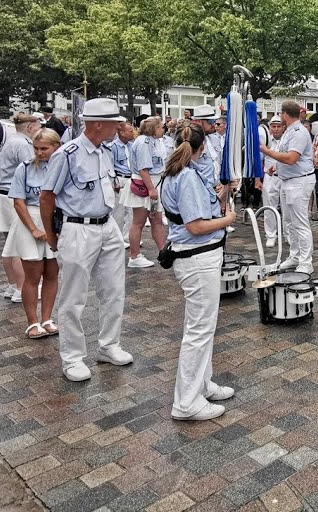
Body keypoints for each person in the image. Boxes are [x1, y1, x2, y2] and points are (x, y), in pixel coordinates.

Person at [39, 98, 130, 383]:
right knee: (73, 297)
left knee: (114, 290)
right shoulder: (68, 154)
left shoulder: (105, 151)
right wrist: (52, 237)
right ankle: (73, 357)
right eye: (115, 122)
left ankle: (108, 345)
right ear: (98, 124)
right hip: (78, 228)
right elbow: (47, 196)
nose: (120, 126)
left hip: (107, 225)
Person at [161, 126, 238, 421]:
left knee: (203, 327)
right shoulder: (187, 176)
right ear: (202, 147)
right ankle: (186, 401)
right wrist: (227, 219)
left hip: (197, 255)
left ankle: (202, 385)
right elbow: (195, 226)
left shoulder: (177, 172)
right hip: (197, 257)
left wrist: (220, 197)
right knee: (199, 330)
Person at [6, 129, 62, 339]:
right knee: (33, 274)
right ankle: (32, 321)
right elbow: (18, 202)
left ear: (56, 147)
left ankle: (47, 317)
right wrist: (34, 229)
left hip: (56, 221)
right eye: (36, 148)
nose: (39, 153)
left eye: (44, 149)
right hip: (32, 219)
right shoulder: (25, 168)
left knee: (52, 273)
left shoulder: (64, 166)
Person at [260, 101, 315, 275]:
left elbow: (291, 158)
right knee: (289, 222)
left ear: (285, 114)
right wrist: (276, 166)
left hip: (299, 181)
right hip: (288, 180)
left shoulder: (299, 132)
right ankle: (295, 255)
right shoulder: (289, 132)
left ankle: (306, 261)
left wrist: (267, 151)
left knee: (300, 222)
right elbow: (286, 155)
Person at [0, 113, 40, 302]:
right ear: (30, 127)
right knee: (20, 245)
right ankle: (21, 288)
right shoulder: (23, 144)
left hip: (5, 193)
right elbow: (32, 170)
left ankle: (13, 285)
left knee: (10, 245)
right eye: (37, 127)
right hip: (14, 196)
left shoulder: (13, 141)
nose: (39, 131)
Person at [123, 117, 167, 269]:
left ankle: (163, 252)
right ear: (153, 129)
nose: (164, 129)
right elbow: (143, 168)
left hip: (153, 184)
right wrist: (151, 189)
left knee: (157, 220)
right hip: (146, 185)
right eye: (161, 127)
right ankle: (134, 256)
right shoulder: (143, 142)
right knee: (138, 222)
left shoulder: (153, 141)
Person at [259, 117, 285, 246]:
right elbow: (259, 159)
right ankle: (270, 235)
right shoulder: (266, 141)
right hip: (270, 177)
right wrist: (257, 179)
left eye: (278, 126)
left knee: (287, 208)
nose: (276, 129)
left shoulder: (287, 141)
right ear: (270, 128)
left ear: (283, 127)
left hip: (285, 177)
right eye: (273, 126)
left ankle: (288, 234)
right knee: (269, 207)